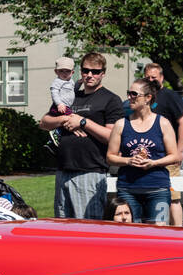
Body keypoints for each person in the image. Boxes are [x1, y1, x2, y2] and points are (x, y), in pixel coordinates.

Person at [39, 50, 123, 219]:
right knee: (62, 227)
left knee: (87, 227)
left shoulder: (110, 99)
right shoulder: (70, 94)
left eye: (95, 71)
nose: (89, 75)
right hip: (63, 170)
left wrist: (83, 122)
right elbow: (44, 123)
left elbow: (112, 137)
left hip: (89, 171)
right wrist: (64, 119)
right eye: (85, 71)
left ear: (103, 73)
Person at [107, 78, 178, 225]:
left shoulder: (163, 123)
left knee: (159, 233)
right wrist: (128, 160)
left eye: (134, 94)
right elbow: (110, 157)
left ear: (148, 98)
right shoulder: (121, 124)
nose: (129, 97)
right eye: (128, 93)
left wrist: (154, 163)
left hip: (157, 188)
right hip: (128, 188)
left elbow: (175, 156)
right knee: (128, 233)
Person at [144, 63, 183, 225]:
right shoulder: (144, 97)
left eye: (153, 77)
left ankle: (178, 231)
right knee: (149, 195)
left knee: (173, 197)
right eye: (147, 77)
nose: (150, 80)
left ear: (161, 77)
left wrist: (179, 151)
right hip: (147, 156)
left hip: (168, 156)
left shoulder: (170, 96)